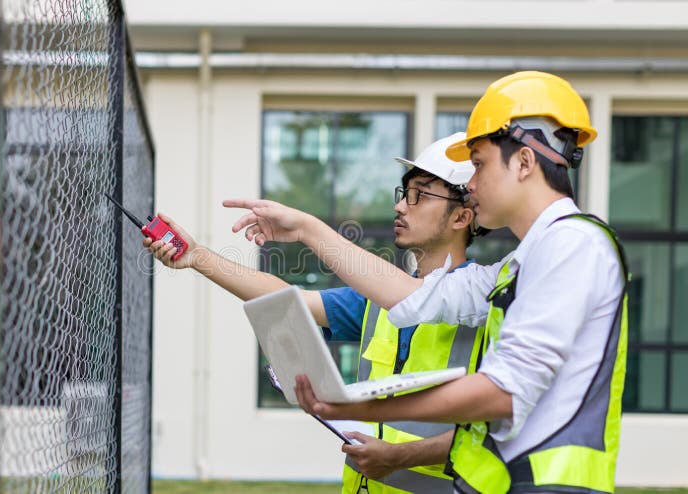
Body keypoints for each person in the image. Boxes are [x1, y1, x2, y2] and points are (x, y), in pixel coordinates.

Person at [224, 71, 629, 494]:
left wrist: (361, 408)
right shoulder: (521, 263)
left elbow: (504, 392)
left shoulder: (573, 245)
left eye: (478, 165)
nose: (470, 186)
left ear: (524, 162)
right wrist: (306, 227)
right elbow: (410, 295)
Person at [146, 133, 486, 493]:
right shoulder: (379, 301)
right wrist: (197, 256)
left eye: (420, 196)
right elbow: (290, 299)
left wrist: (401, 456)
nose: (401, 207)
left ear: (462, 217)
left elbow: (495, 427)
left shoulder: (489, 307)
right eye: (404, 195)